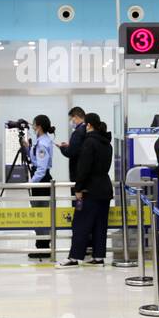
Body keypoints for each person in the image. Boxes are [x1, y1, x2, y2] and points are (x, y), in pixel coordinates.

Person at [61, 112, 113, 266]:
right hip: (105, 188)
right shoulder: (107, 143)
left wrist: (79, 187)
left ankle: (74, 257)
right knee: (100, 225)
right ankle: (98, 256)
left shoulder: (89, 143)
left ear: (89, 125)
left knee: (80, 224)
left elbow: (84, 168)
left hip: (90, 190)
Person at [27, 114, 56, 259]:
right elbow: (35, 160)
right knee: (39, 214)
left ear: (38, 126)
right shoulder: (42, 141)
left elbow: (41, 168)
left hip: (41, 182)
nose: (32, 127)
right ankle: (41, 245)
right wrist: (27, 148)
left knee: (41, 214)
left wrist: (31, 183)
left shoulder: (43, 143)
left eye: (33, 124)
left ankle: (43, 247)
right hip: (40, 180)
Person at [57, 106, 87, 179]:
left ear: (76, 117)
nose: (71, 122)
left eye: (71, 119)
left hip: (77, 170)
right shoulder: (87, 128)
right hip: (85, 168)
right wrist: (70, 145)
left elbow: (71, 152)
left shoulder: (78, 132)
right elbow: (80, 147)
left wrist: (62, 148)